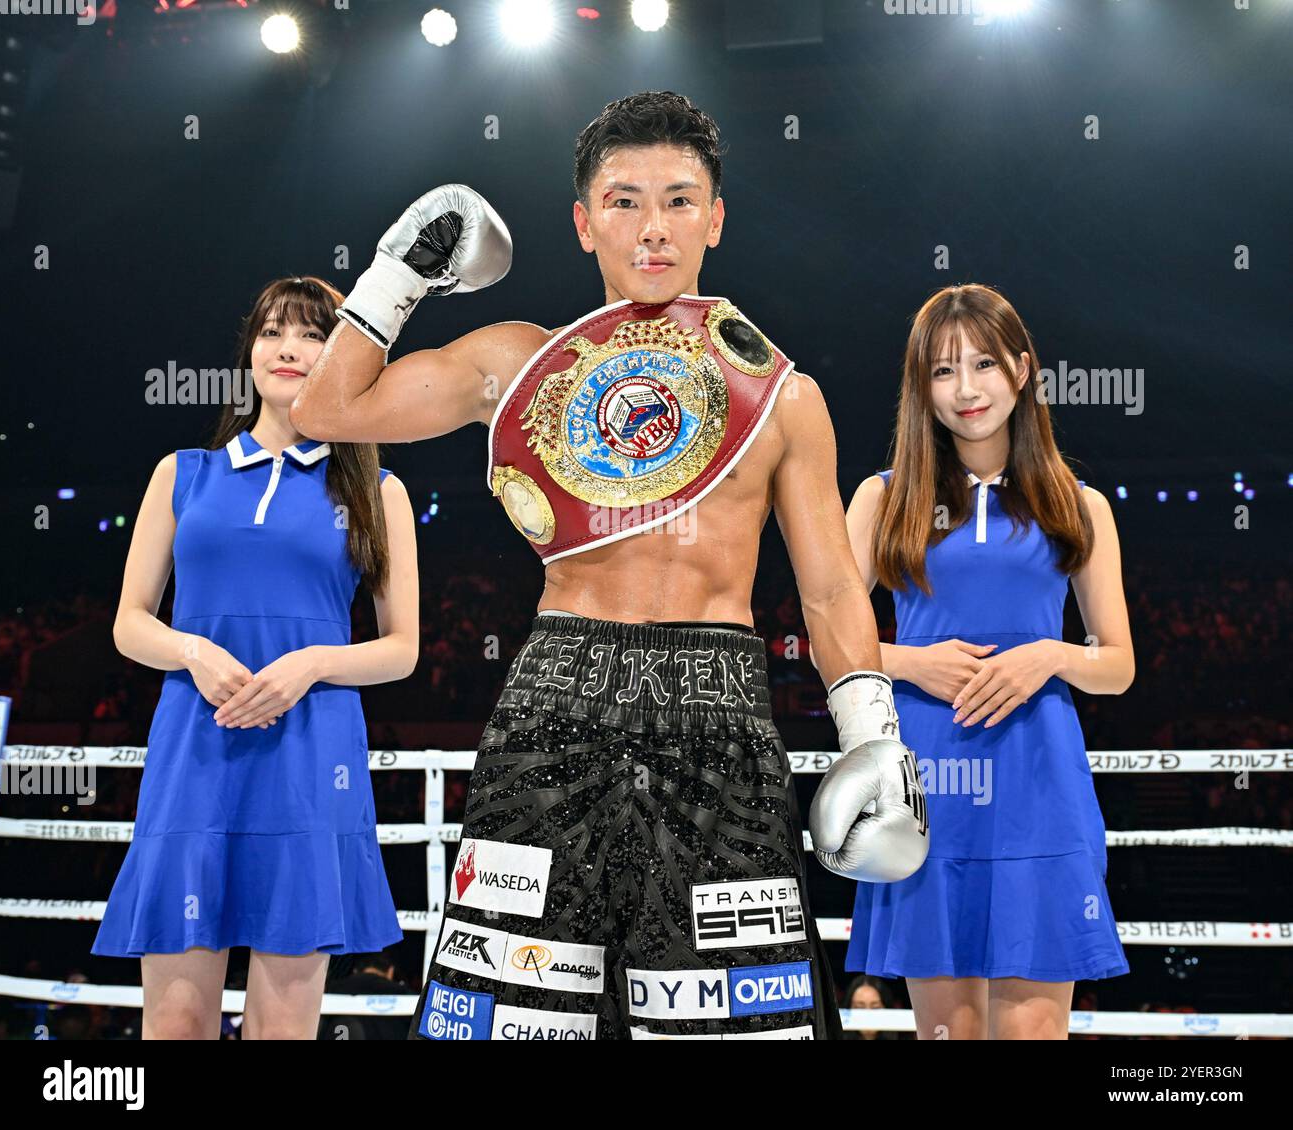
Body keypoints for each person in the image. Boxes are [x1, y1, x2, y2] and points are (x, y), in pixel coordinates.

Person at [290, 90, 927, 1041]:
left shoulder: (786, 398)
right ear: (585, 224)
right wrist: (398, 273)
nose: (654, 228)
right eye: (625, 201)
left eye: (679, 199)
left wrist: (873, 735)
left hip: (718, 701)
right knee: (507, 1015)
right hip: (557, 693)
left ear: (716, 216)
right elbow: (327, 412)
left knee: (738, 1024)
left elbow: (832, 583)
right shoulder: (516, 361)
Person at [91, 277, 419, 1040]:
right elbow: (129, 623)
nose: (289, 349)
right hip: (194, 748)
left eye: (313, 335)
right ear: (249, 354)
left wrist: (310, 664)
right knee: (174, 1021)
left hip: (312, 756)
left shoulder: (377, 490)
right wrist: (193, 650)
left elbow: (400, 649)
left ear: (342, 358)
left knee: (282, 1024)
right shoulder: (183, 474)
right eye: (273, 332)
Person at [835, 283, 1134, 1040]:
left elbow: (1119, 663)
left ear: (1023, 370)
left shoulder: (1079, 505)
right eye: (941, 371)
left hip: (1040, 785)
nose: (965, 389)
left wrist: (1048, 656)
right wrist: (911, 664)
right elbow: (822, 642)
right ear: (919, 385)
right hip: (928, 791)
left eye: (983, 365)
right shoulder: (883, 499)